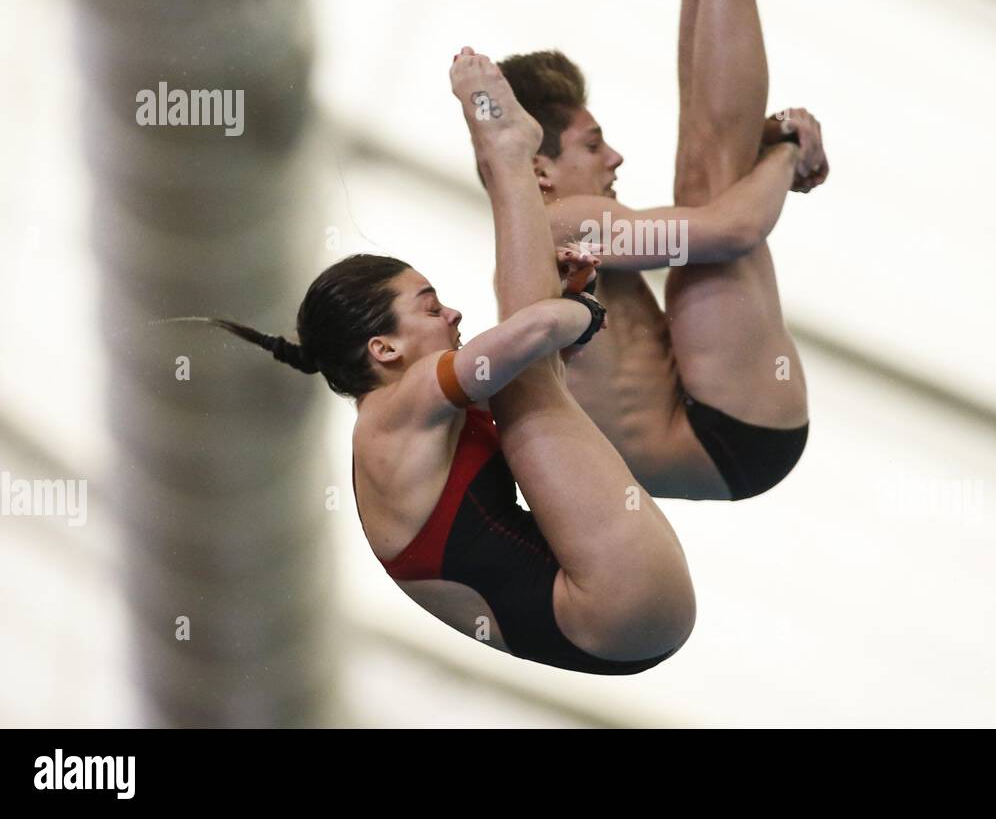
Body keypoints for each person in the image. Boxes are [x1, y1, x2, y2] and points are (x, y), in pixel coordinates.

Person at [204, 49, 695, 674]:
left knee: (527, 375)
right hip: (614, 604)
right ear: (383, 349)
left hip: (621, 622)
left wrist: (570, 302)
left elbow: (541, 345)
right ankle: (506, 157)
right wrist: (580, 312)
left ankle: (505, 152)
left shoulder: (410, 429)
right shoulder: (392, 413)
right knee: (525, 368)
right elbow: (536, 330)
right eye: (430, 308)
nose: (454, 315)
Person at [495, 0, 829, 501]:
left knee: (703, 174)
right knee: (708, 196)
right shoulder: (558, 224)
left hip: (711, 411)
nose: (614, 160)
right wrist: (785, 150)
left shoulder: (551, 228)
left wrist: (775, 151)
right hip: (732, 431)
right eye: (593, 145)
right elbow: (736, 229)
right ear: (542, 168)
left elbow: (725, 216)